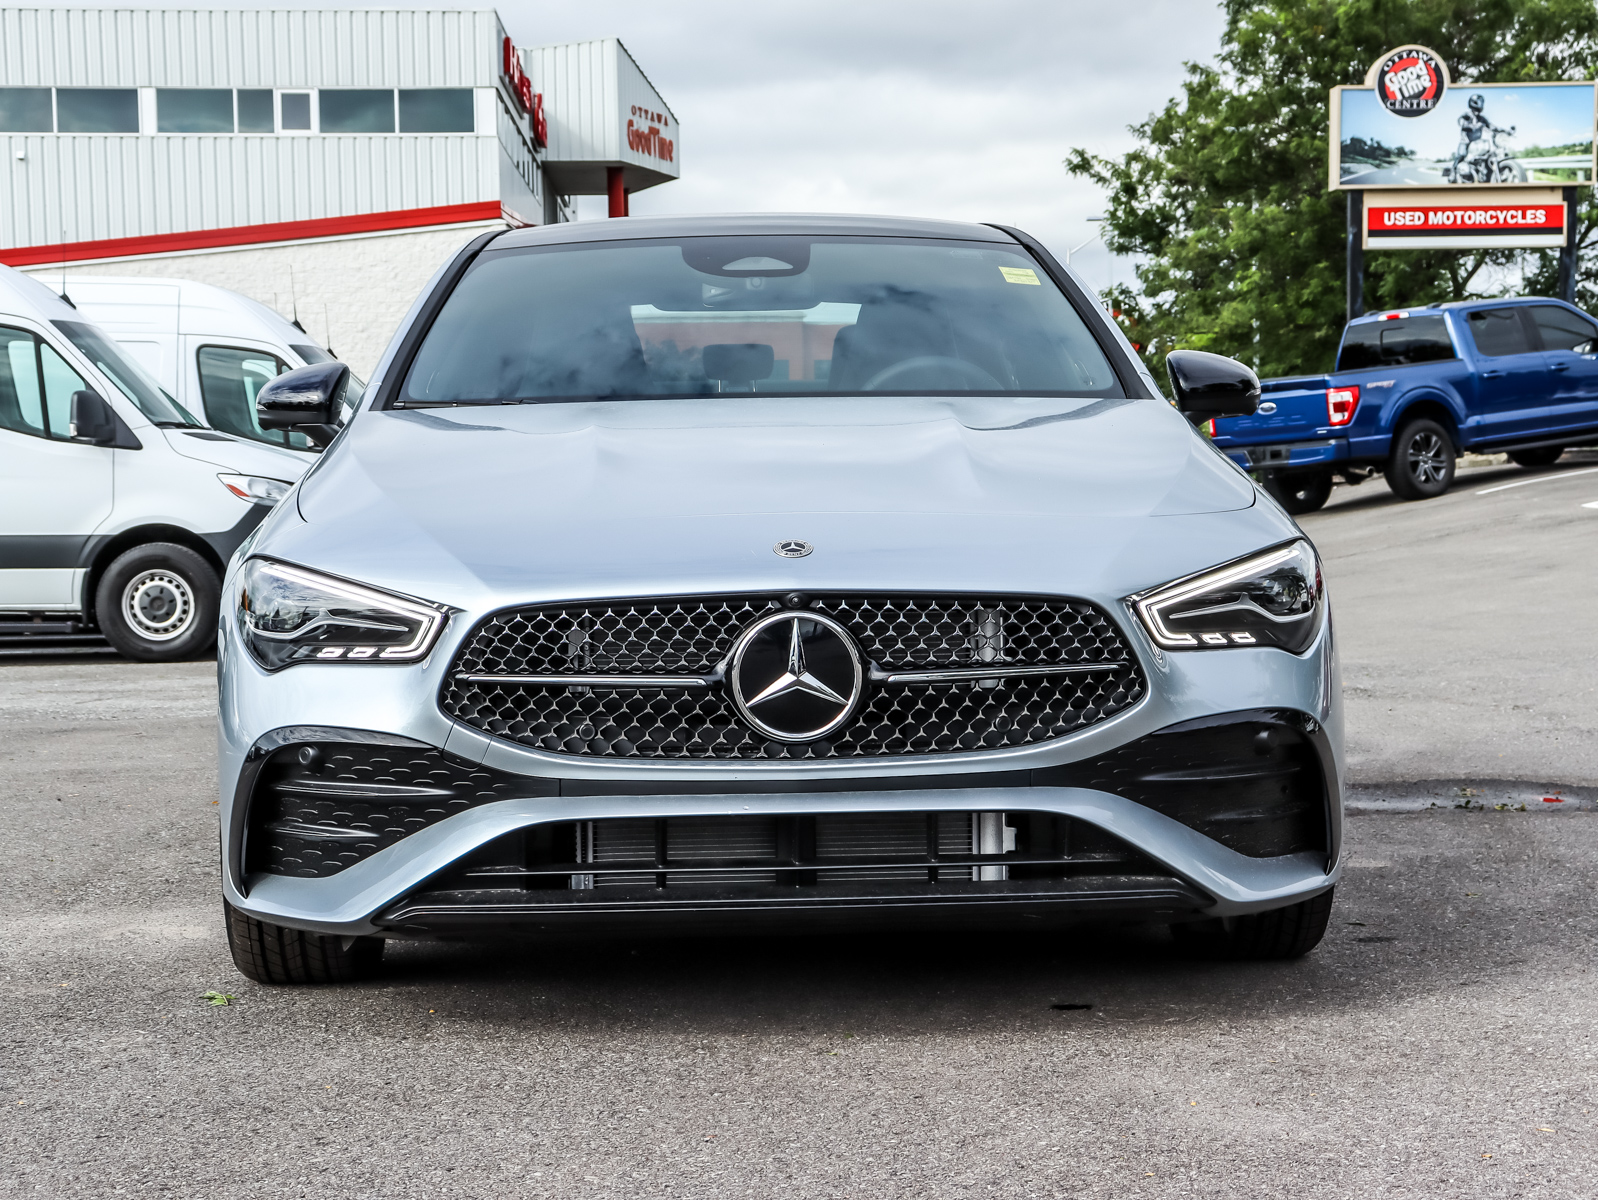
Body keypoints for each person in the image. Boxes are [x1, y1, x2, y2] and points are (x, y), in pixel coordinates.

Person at [1449, 94, 1513, 182]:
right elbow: (1461, 123)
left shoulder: (1482, 118)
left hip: (1477, 142)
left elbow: (1492, 126)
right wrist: (1473, 126)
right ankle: (1453, 172)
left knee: (1489, 154)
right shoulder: (1466, 115)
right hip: (1466, 141)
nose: (1480, 104)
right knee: (1461, 154)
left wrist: (1506, 131)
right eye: (1479, 102)